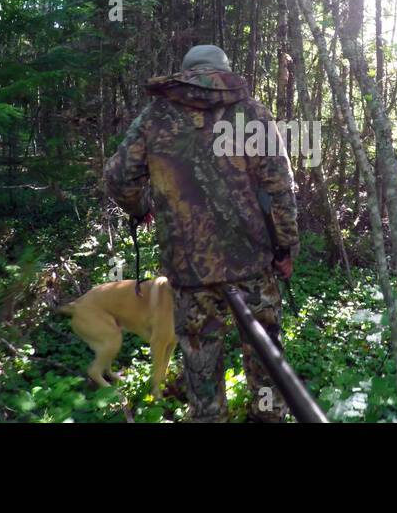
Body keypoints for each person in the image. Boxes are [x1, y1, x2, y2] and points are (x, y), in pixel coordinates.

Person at [103, 44, 299, 422]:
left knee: (202, 368)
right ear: (224, 71)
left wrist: (140, 206)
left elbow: (118, 177)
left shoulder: (155, 115)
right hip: (253, 264)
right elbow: (279, 187)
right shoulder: (251, 112)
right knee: (266, 366)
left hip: (190, 269)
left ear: (186, 71)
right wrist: (285, 248)